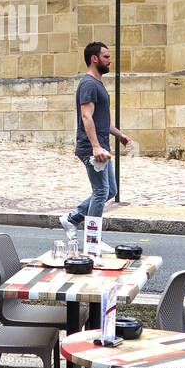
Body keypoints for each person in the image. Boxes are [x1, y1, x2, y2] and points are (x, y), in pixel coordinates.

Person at [61, 41, 132, 241]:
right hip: (92, 148)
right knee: (101, 191)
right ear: (95, 59)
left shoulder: (96, 84)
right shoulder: (89, 84)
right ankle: (93, 241)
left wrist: (119, 135)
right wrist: (95, 147)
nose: (110, 61)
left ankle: (72, 218)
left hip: (102, 146)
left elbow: (101, 120)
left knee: (110, 190)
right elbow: (87, 116)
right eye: (106, 57)